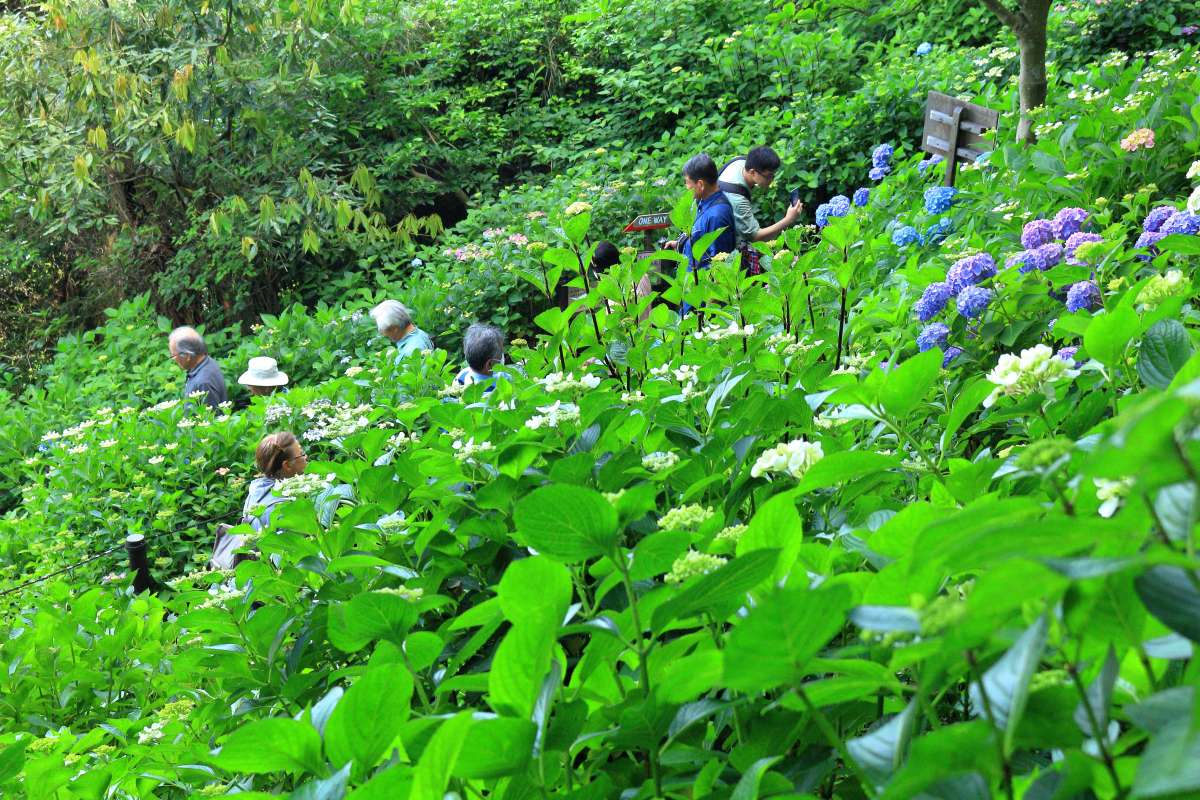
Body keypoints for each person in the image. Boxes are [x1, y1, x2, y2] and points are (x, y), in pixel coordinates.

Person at [718, 147, 803, 274]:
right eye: (769, 176)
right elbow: (755, 237)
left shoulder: (739, 162)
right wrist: (788, 220)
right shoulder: (738, 200)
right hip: (724, 251)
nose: (772, 180)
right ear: (753, 172)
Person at [666, 154, 736, 273]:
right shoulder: (703, 203)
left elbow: (719, 265)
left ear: (700, 185)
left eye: (687, 182)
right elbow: (701, 239)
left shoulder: (717, 215)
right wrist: (681, 244)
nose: (686, 187)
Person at [243, 432, 308, 530]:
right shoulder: (285, 509)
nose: (306, 457)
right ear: (287, 465)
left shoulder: (256, 493)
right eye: (302, 453)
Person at [168, 326, 227, 409]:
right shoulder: (207, 363)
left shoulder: (203, 382)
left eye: (173, 355)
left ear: (187, 355)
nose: (173, 359)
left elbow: (210, 418)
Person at [455, 322, 509, 392]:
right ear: (489, 364)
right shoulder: (500, 385)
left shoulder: (462, 376)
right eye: (501, 353)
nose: (502, 356)